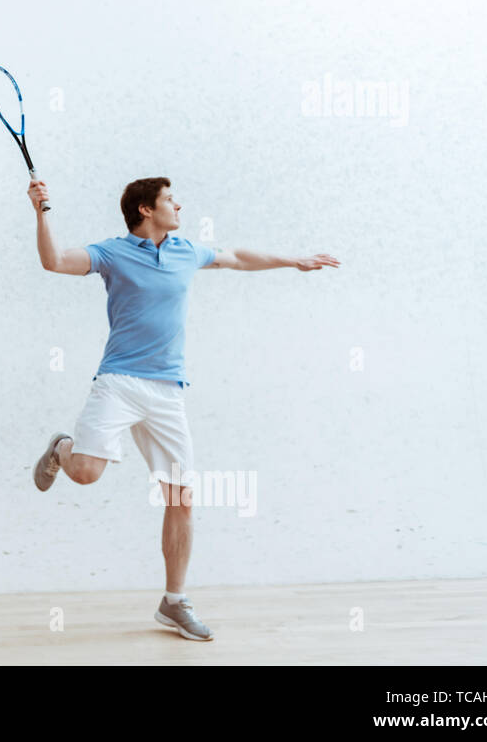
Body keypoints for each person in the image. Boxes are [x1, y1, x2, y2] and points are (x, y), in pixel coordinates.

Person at [28, 175, 338, 641]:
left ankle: (174, 602)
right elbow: (53, 261)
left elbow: (236, 258)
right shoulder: (112, 253)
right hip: (119, 383)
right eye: (170, 199)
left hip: (168, 391)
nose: (179, 205)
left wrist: (293, 260)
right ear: (146, 210)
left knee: (181, 497)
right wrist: (42, 211)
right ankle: (62, 448)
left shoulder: (185, 251)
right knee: (88, 472)